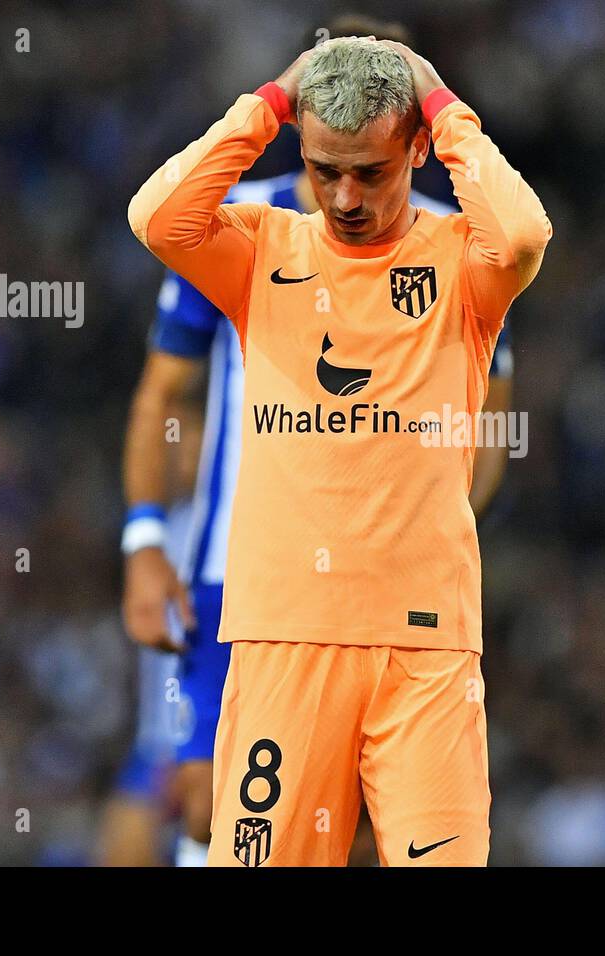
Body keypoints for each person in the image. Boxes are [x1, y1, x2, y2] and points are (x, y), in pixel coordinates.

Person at [128, 36, 551, 866]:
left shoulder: (461, 262)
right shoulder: (262, 249)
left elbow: (525, 234)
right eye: (326, 170)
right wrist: (273, 101)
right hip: (284, 638)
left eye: (371, 171)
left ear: (416, 152)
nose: (346, 196)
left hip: (425, 650)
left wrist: (440, 101)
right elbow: (159, 215)